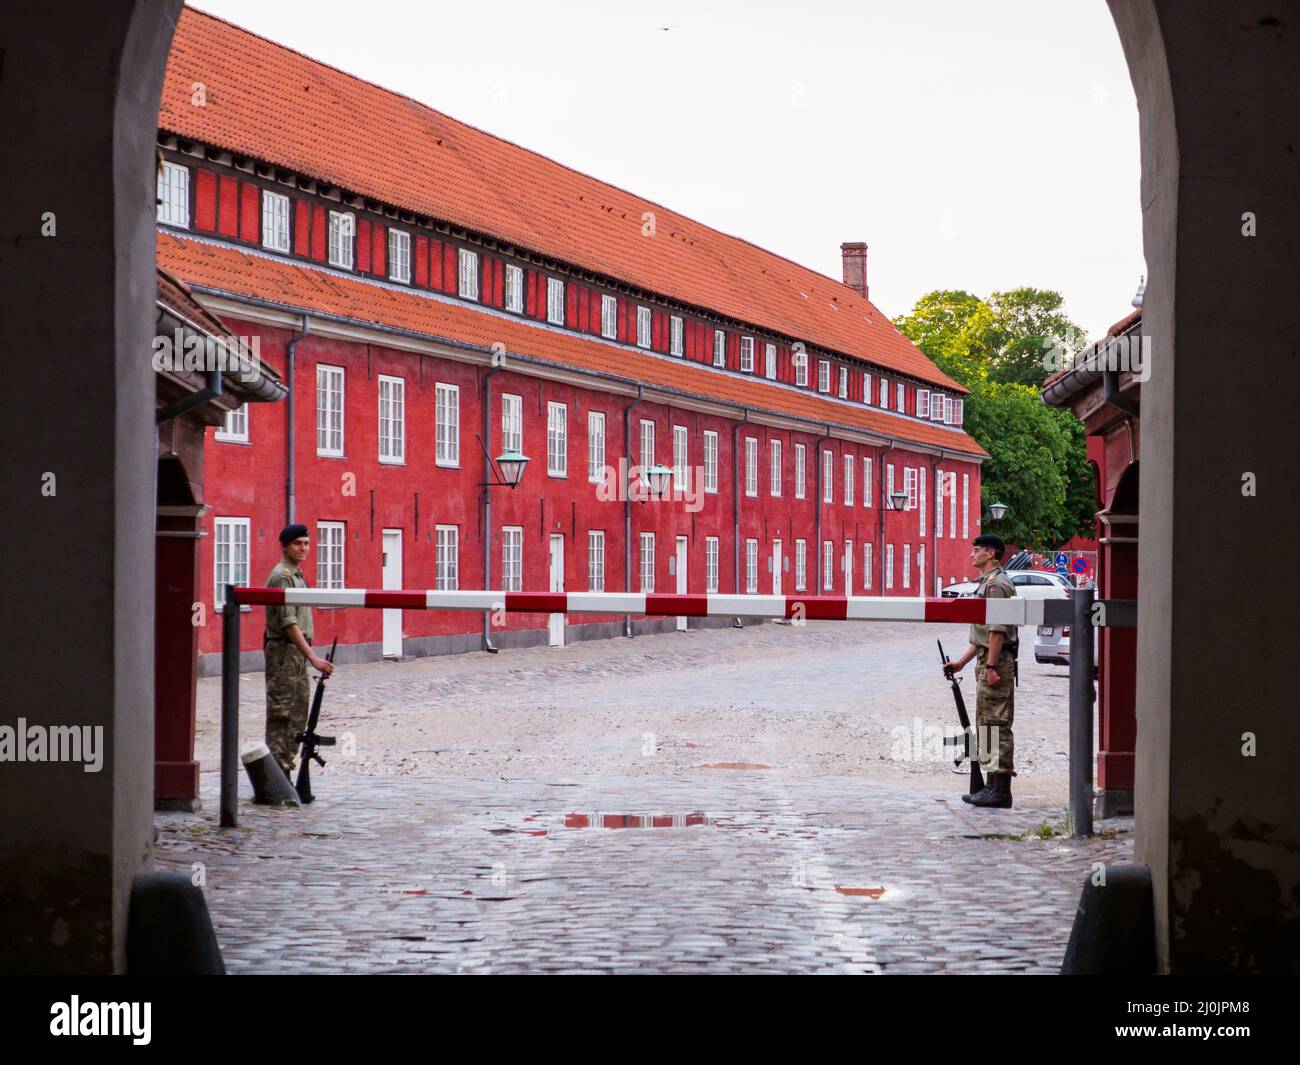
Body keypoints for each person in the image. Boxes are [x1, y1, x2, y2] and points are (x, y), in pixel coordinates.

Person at [941, 533, 1017, 808]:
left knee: (996, 724)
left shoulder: (997, 585)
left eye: (977, 550)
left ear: (991, 554)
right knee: (987, 723)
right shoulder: (987, 583)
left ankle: (1000, 790)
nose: (972, 555)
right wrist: (962, 662)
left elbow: (997, 630)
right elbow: (982, 635)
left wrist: (993, 666)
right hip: (987, 658)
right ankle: (991, 786)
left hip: (995, 661)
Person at [264, 524, 334, 778]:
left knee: (298, 712)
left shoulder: (296, 575)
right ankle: (275, 777)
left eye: (306, 543)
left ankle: (286, 771)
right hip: (285, 652)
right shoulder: (282, 576)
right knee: (282, 712)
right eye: (297, 544)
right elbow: (289, 623)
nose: (303, 548)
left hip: (295, 652)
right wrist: (312, 657)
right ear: (284, 547)